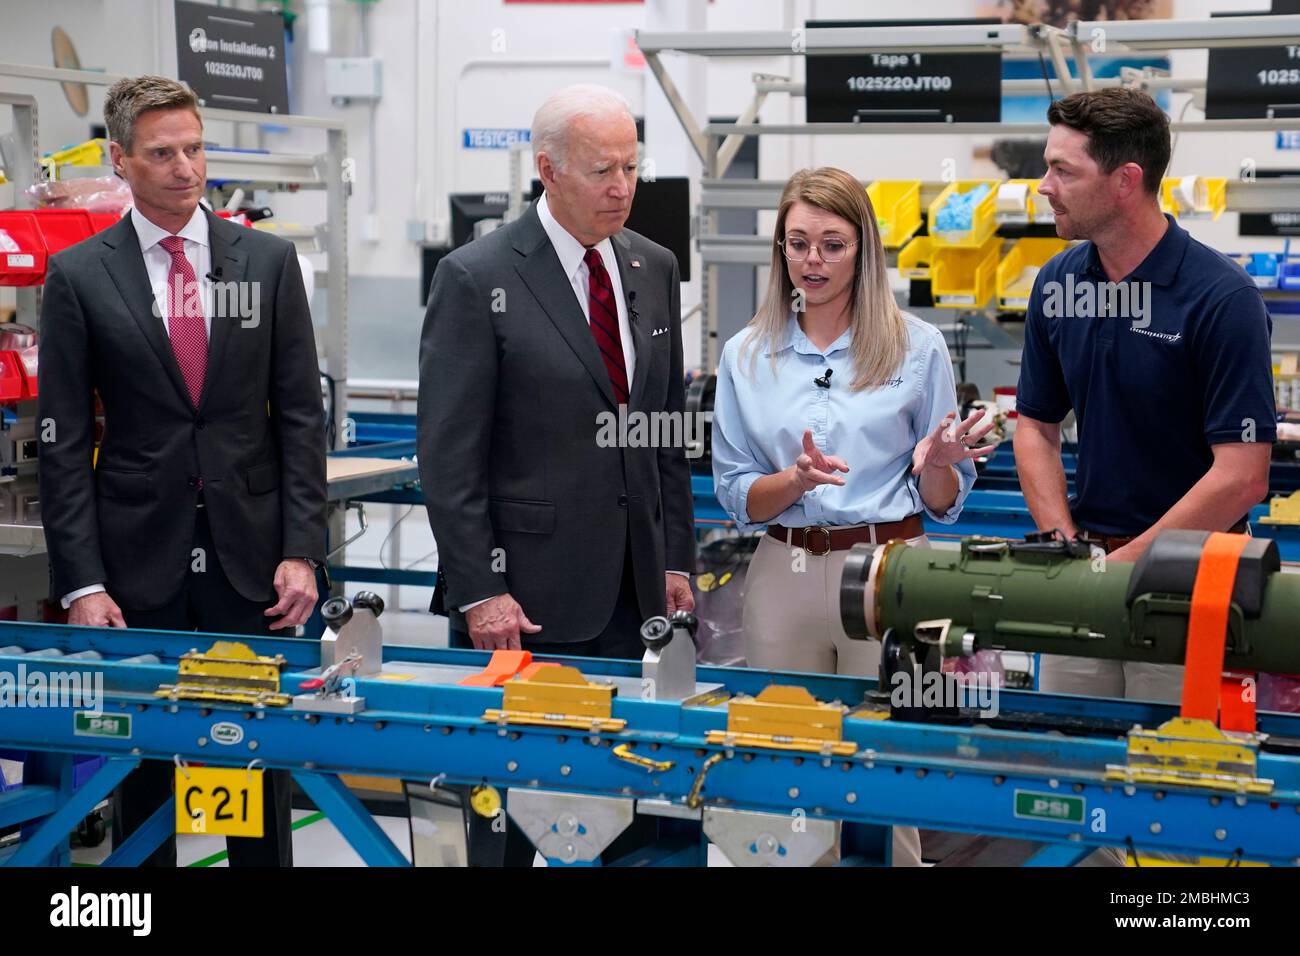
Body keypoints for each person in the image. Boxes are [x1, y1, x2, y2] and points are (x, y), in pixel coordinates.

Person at [38, 75, 327, 867]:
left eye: (194, 149)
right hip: (137, 565)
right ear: (120, 161)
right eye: (162, 153)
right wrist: (82, 582)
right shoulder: (80, 277)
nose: (184, 168)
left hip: (254, 561)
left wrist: (305, 548)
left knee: (254, 764)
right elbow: (62, 442)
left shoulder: (266, 264)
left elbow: (303, 417)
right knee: (145, 769)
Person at [418, 84, 695, 865]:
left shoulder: (652, 265)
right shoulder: (476, 277)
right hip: (525, 601)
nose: (622, 188)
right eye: (603, 170)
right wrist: (480, 588)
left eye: (632, 168)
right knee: (511, 816)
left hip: (633, 595)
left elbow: (662, 433)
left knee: (625, 804)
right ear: (547, 169)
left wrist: (675, 558)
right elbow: (449, 453)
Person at [711, 166, 990, 866]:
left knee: (888, 771)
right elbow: (735, 493)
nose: (813, 261)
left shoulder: (916, 348)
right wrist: (794, 479)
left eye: (833, 245)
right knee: (782, 773)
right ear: (780, 249)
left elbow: (942, 502)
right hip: (785, 570)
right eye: (798, 243)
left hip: (892, 573)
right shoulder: (746, 354)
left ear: (864, 249)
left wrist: (937, 460)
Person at [1016, 87, 1275, 705]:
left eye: (1063, 170)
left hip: (1194, 580)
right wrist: (1065, 548)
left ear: (1125, 180)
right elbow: (1035, 426)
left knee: (1175, 769)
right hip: (1081, 573)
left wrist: (1118, 566)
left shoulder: (1222, 299)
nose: (1043, 186)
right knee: (1069, 757)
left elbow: (1242, 477)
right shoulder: (1058, 282)